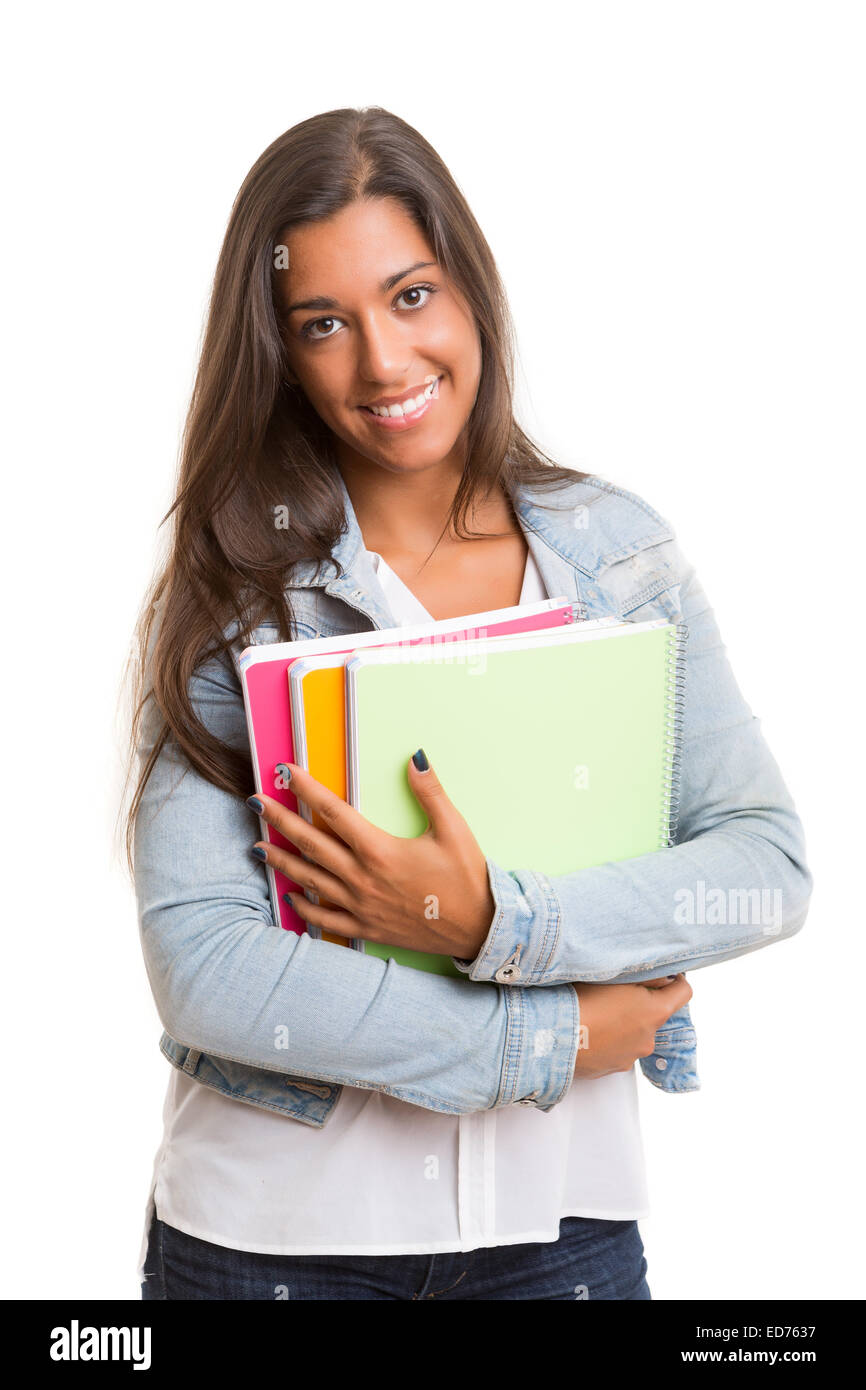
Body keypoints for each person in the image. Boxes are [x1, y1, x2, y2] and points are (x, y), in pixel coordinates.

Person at [125, 106, 811, 1301]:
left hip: (562, 1244)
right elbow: (207, 966)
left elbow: (759, 866)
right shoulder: (234, 587)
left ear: (470, 293)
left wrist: (484, 913)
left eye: (410, 296)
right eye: (321, 325)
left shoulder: (616, 555)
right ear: (277, 350)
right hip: (279, 1252)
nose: (383, 365)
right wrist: (538, 1040)